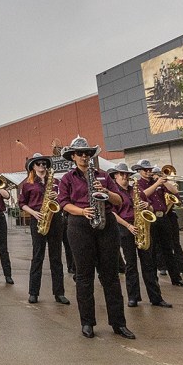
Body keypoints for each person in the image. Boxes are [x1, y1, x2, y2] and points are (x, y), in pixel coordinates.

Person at [58, 137, 135, 340]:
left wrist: (107, 192)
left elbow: (119, 201)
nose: (84, 156)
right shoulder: (67, 178)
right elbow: (63, 203)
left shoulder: (102, 176)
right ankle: (87, 323)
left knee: (110, 276)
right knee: (84, 276)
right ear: (73, 157)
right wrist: (82, 212)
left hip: (106, 223)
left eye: (87, 153)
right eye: (80, 153)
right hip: (79, 224)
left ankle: (119, 323)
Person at [108, 162, 170, 309]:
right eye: (122, 174)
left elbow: (150, 206)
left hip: (141, 226)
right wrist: (128, 225)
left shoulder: (136, 189)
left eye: (127, 174)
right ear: (115, 176)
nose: (125, 177)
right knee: (131, 265)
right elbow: (112, 213)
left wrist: (146, 206)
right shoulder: (114, 193)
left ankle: (156, 297)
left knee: (149, 264)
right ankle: (133, 297)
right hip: (125, 227)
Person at [133, 160, 183, 288]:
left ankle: (176, 278)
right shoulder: (138, 184)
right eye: (145, 170)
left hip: (163, 217)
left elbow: (174, 192)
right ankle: (154, 281)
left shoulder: (157, 181)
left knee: (168, 248)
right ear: (139, 171)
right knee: (153, 251)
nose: (148, 172)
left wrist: (164, 179)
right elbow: (142, 195)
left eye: (150, 169)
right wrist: (157, 184)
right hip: (150, 218)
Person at [19, 152, 68, 305]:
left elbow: (64, 200)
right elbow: (21, 204)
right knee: (37, 256)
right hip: (38, 219)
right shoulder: (27, 184)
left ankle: (59, 293)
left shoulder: (56, 181)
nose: (42, 166)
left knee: (56, 257)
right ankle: (33, 292)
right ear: (33, 166)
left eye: (44, 163)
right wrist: (34, 213)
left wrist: (57, 197)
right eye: (39, 163)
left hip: (55, 220)